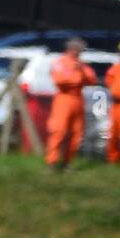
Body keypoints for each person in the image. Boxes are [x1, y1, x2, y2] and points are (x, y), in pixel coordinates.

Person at [45, 38, 98, 171]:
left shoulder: (81, 64)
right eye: (78, 49)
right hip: (64, 98)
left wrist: (80, 72)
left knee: (76, 133)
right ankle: (52, 162)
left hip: (78, 99)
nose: (79, 52)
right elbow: (60, 80)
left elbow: (92, 79)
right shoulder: (60, 62)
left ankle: (67, 162)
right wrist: (76, 77)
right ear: (71, 48)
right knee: (59, 131)